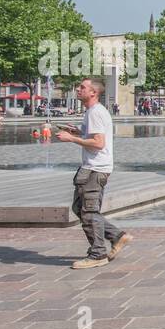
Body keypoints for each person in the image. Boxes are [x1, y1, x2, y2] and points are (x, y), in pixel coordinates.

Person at [57, 79, 133, 269]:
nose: (78, 89)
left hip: (95, 169)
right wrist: (79, 132)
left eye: (82, 87)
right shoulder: (92, 112)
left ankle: (98, 254)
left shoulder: (95, 112)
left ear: (93, 93)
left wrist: (71, 138)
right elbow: (95, 137)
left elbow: (99, 143)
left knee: (89, 212)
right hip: (93, 168)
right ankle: (117, 236)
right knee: (80, 208)